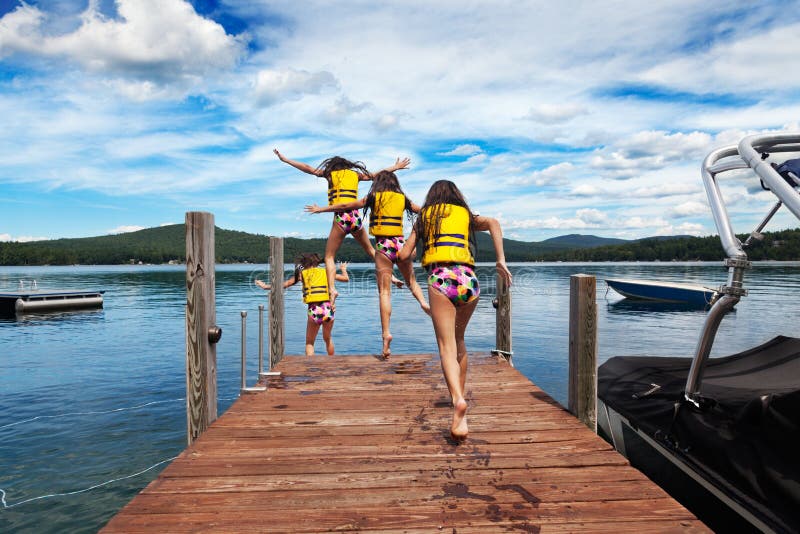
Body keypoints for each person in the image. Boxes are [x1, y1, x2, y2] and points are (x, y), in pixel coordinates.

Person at [398, 180, 512, 440]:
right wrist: (500, 259)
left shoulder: (424, 217)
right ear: (456, 196)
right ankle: (461, 412)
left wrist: (411, 279)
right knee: (460, 342)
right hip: (469, 280)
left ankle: (458, 401)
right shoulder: (465, 215)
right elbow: (494, 222)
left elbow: (404, 255)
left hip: (440, 278)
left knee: (446, 347)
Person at [305, 170, 430, 358]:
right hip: (400, 244)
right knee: (412, 281)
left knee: (384, 293)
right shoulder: (402, 198)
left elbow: (346, 204)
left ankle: (386, 333)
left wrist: (321, 209)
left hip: (384, 247)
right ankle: (423, 303)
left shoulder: (372, 197)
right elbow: (424, 210)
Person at [273, 149, 409, 305]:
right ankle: (391, 276)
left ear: (333, 166)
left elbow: (307, 168)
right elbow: (377, 175)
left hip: (341, 218)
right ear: (347, 166)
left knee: (329, 256)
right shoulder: (355, 175)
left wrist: (286, 160)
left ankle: (332, 289)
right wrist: (396, 167)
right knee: (372, 250)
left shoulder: (330, 174)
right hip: (355, 218)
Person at [255, 253, 350, 356]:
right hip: (328, 308)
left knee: (310, 343)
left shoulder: (302, 274)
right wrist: (343, 268)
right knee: (328, 338)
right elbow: (346, 279)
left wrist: (266, 286)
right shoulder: (326, 272)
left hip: (314, 309)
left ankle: (311, 368)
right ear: (317, 262)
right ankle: (332, 362)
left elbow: (284, 285)